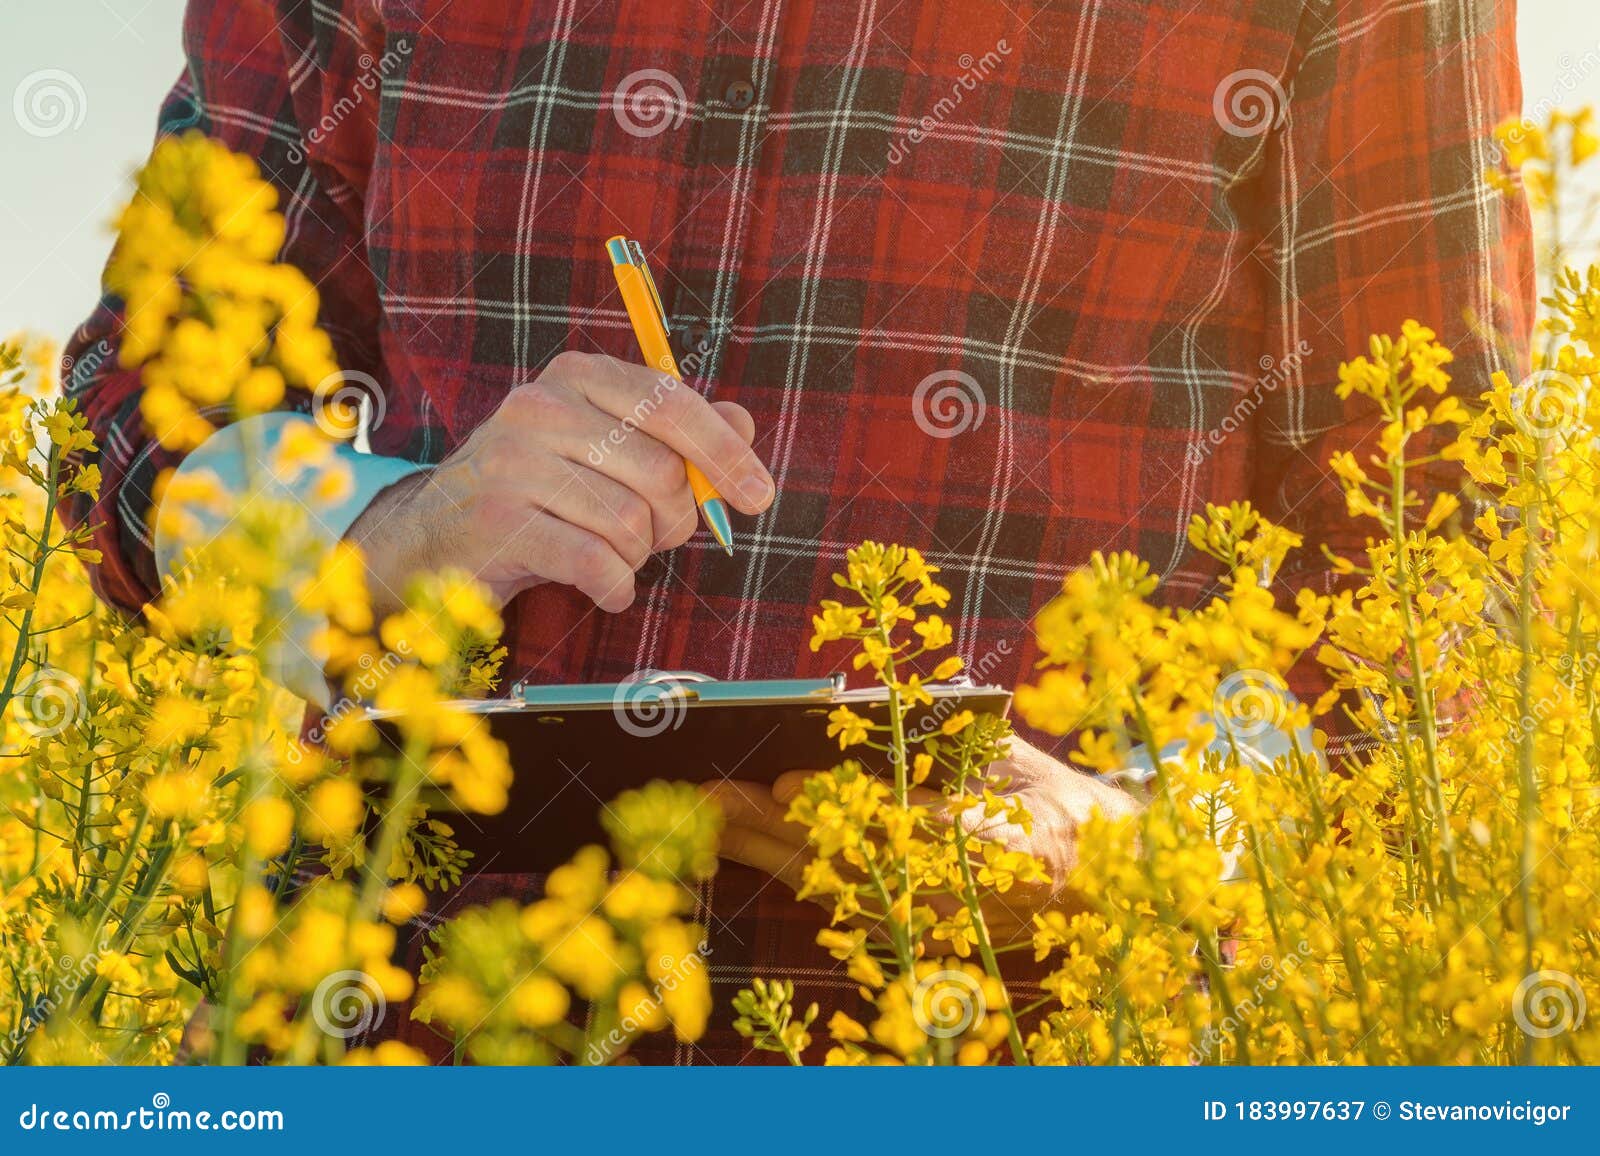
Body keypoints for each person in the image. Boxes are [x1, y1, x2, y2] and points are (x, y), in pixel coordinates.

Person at [64, 0, 1532, 1063]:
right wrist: (387, 531)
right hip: (403, 1028)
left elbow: (1431, 517)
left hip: (1018, 1039)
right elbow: (139, 400)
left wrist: (1146, 842)